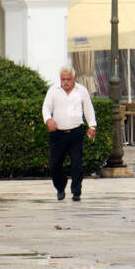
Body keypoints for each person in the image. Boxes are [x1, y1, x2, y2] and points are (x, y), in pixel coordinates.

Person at [42, 67, 96, 201]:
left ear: (74, 79)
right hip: (58, 134)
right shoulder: (53, 90)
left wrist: (92, 126)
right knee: (55, 164)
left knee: (77, 163)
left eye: (68, 79)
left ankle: (76, 191)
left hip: (76, 132)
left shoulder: (82, 91)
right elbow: (46, 107)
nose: (65, 82)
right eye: (63, 79)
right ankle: (60, 187)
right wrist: (48, 120)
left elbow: (88, 109)